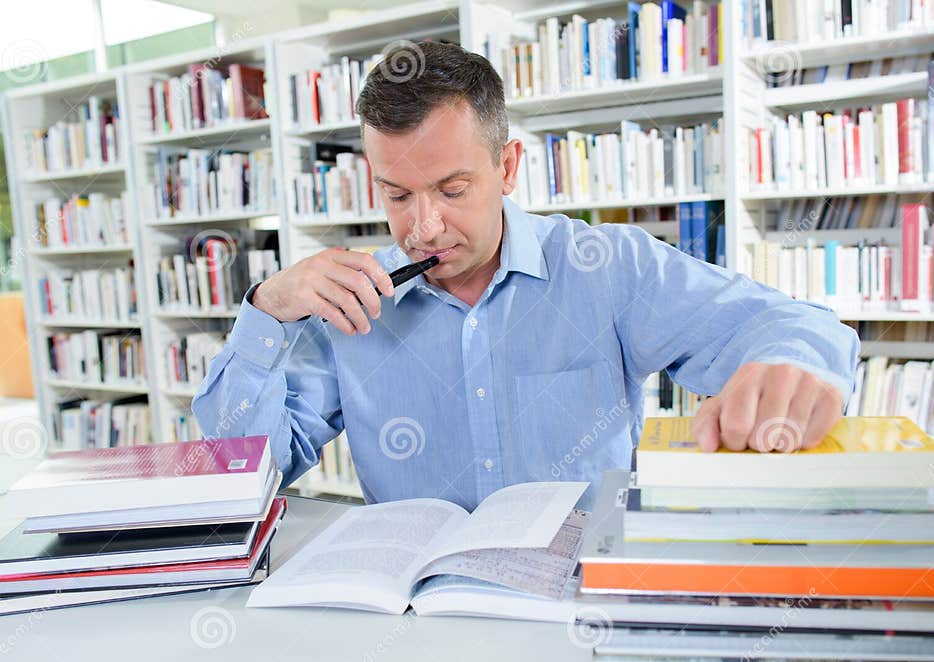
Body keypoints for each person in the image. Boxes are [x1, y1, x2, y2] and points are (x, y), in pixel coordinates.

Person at [192, 41, 859, 510]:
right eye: (397, 195)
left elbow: (789, 327)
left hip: (576, 618)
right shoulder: (355, 301)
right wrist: (268, 308)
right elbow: (242, 472)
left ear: (507, 167)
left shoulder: (607, 268)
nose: (422, 228)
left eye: (452, 189)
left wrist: (790, 364)